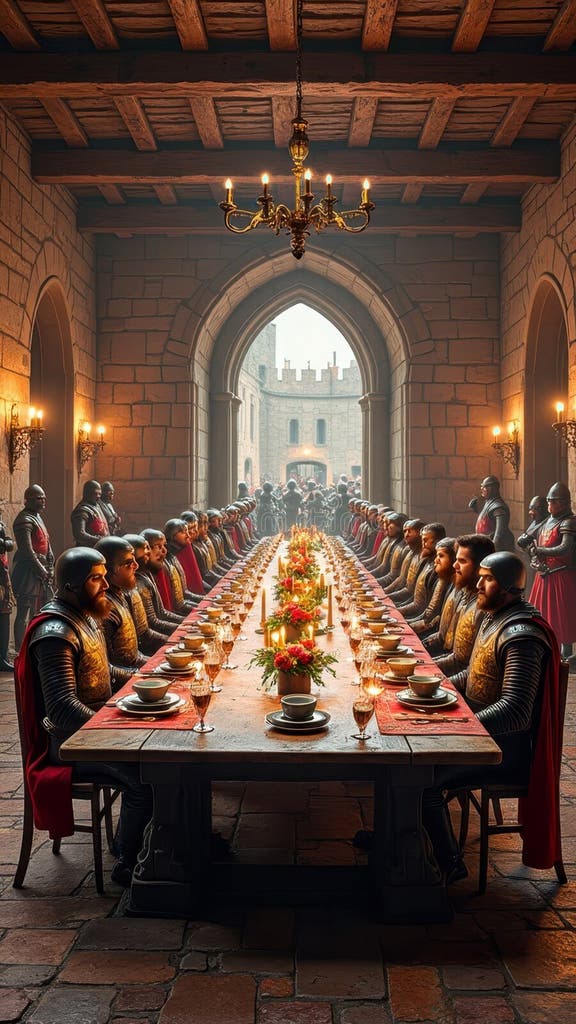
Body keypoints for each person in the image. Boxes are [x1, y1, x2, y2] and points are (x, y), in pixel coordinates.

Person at [15, 547, 153, 885]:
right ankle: (127, 858)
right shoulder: (54, 634)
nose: (106, 585)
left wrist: (142, 678)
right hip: (69, 743)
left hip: (93, 730)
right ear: (70, 586)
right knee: (146, 777)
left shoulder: (82, 615)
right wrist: (114, 729)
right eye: (96, 578)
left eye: (105, 576)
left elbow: (99, 669)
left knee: (159, 754)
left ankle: (164, 840)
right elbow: (62, 707)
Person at [422, 552, 561, 883]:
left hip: (505, 749)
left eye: (488, 579)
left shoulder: (522, 635)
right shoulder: (495, 616)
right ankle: (400, 835)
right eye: (481, 577)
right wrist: (434, 689)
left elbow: (515, 711)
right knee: (412, 754)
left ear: (512, 587)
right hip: (482, 734)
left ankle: (449, 861)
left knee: (422, 776)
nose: (479, 584)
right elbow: (473, 675)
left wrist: (460, 725)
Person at [433, 534, 495, 680]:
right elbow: (447, 642)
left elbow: (466, 666)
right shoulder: (463, 590)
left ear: (480, 566)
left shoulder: (486, 606)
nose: (454, 566)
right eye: (456, 560)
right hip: (448, 671)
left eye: (462, 561)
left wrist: (428, 673)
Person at [529, 482, 576, 660]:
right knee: (544, 613)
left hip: (562, 574)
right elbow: (537, 545)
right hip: (544, 574)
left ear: (563, 503)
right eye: (548, 502)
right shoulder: (548, 521)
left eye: (552, 502)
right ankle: (547, 647)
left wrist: (541, 552)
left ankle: (566, 652)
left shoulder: (569, 522)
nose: (549, 506)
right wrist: (535, 559)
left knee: (562, 615)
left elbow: (566, 549)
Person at [11, 485, 55, 651]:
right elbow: (27, 551)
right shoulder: (24, 519)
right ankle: (20, 650)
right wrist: (41, 569)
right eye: (38, 498)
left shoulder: (37, 517)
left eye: (43, 497)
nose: (43, 501)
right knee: (23, 612)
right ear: (28, 500)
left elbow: (47, 544)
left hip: (40, 570)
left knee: (38, 612)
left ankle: (34, 646)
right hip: (27, 572)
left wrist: (50, 564)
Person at [94, 537, 147, 673]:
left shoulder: (121, 594)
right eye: (129, 563)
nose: (136, 565)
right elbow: (108, 668)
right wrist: (143, 674)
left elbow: (133, 653)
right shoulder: (105, 608)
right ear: (109, 570)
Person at [468, 476, 515, 552]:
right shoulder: (489, 502)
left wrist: (494, 549)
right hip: (485, 544)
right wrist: (476, 508)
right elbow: (486, 519)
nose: (481, 489)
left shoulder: (498, 507)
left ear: (492, 488)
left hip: (494, 547)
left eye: (484, 487)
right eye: (481, 486)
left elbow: (500, 533)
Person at [71, 481, 110, 546]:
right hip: (88, 551)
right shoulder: (82, 511)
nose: (98, 496)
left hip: (100, 549)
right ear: (88, 493)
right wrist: (99, 540)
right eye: (96, 493)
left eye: (100, 494)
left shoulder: (97, 506)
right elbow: (80, 534)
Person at [0, 509, 15, 671]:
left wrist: (4, 543)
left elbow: (10, 543)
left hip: (2, 577)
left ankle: (2, 657)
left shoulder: (1, 525)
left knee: (4, 615)